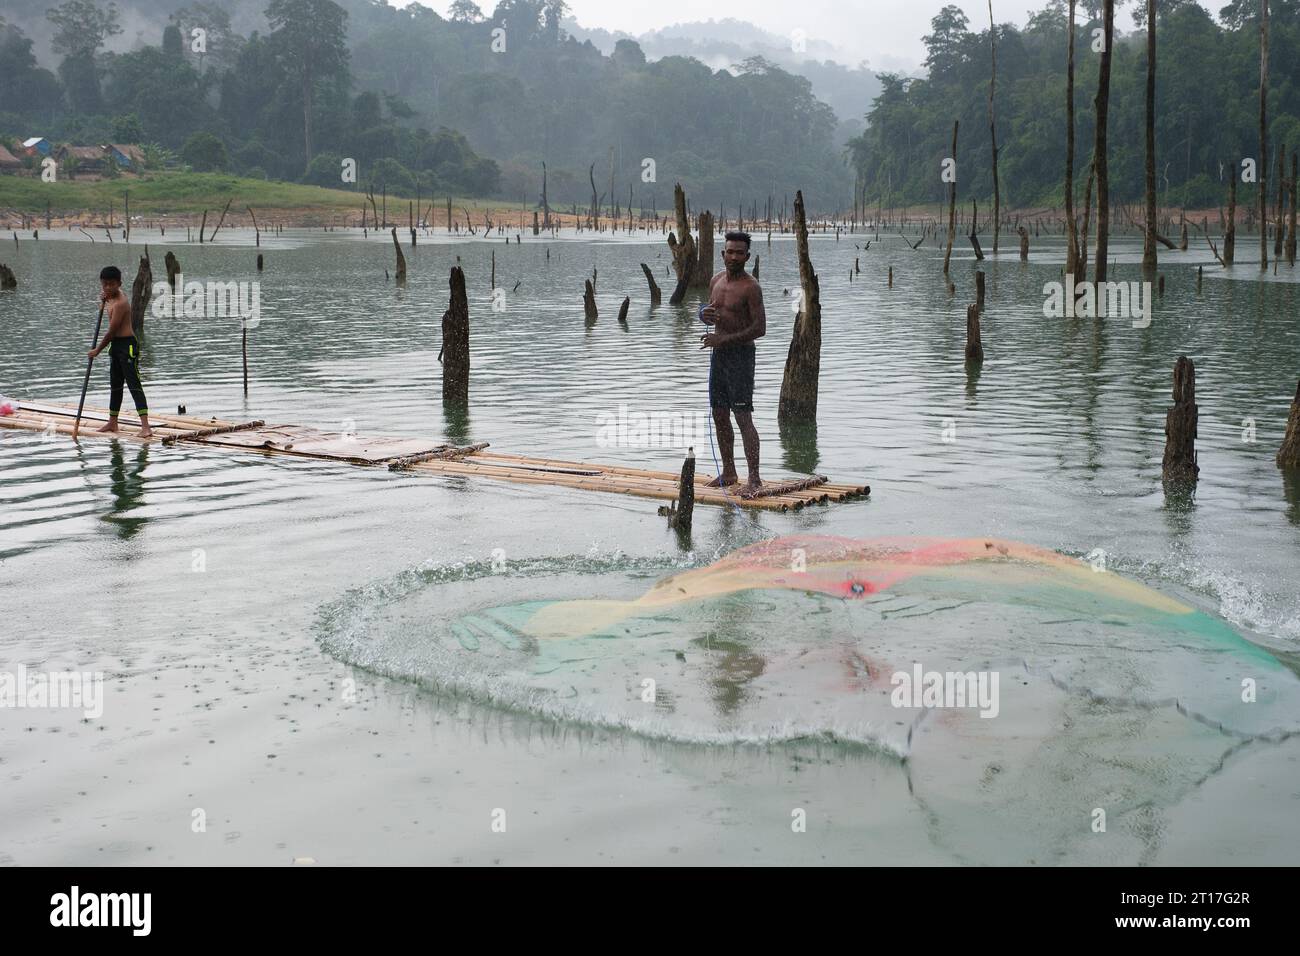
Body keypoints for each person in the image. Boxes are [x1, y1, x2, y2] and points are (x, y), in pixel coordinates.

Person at [699, 230, 766, 496]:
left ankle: (754, 480)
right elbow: (709, 313)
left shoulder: (751, 287)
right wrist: (703, 314)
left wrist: (723, 341)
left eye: (740, 253)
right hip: (719, 356)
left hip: (740, 357)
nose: (734, 257)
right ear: (722, 253)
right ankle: (728, 472)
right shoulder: (716, 280)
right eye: (730, 251)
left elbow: (760, 329)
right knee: (719, 413)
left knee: (742, 416)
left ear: (747, 257)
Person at [88, 266, 152, 439]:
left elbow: (111, 331)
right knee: (115, 385)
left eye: (111, 284)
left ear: (119, 284)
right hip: (115, 347)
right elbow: (106, 304)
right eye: (104, 284)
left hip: (127, 346)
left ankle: (146, 427)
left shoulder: (122, 303)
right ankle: (112, 422)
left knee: (134, 385)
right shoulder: (109, 296)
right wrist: (102, 300)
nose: (107, 288)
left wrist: (97, 350)